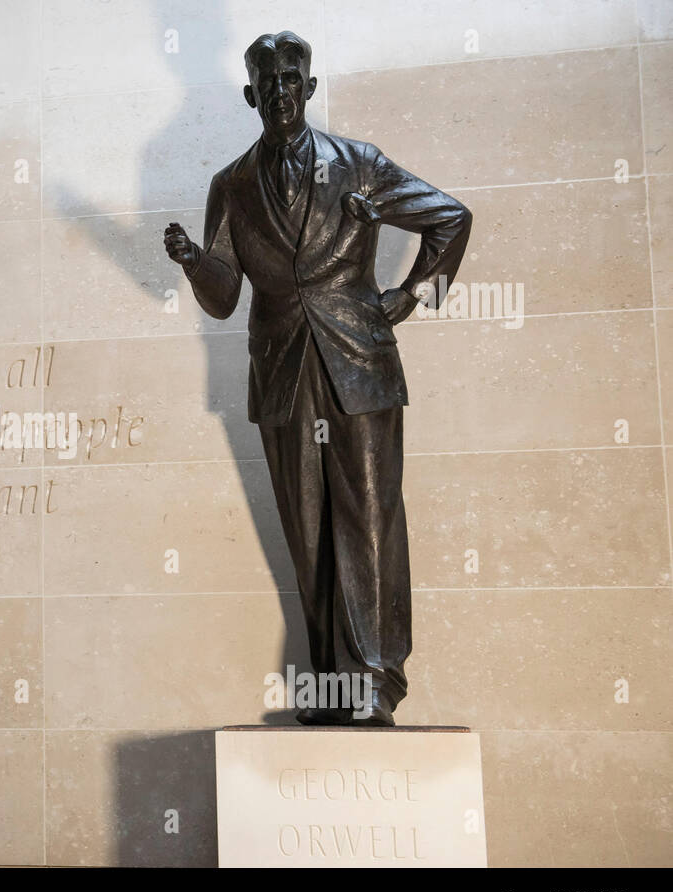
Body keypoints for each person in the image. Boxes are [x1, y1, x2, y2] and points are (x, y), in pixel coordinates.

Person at [164, 30, 472, 726]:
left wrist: (409, 298)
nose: (279, 92)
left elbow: (451, 220)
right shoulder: (232, 186)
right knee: (307, 531)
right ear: (251, 96)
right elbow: (223, 297)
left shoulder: (357, 164)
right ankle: (333, 683)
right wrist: (192, 261)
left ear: (307, 86)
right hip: (282, 374)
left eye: (290, 79)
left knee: (366, 518)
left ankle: (375, 680)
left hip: (359, 365)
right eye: (267, 83)